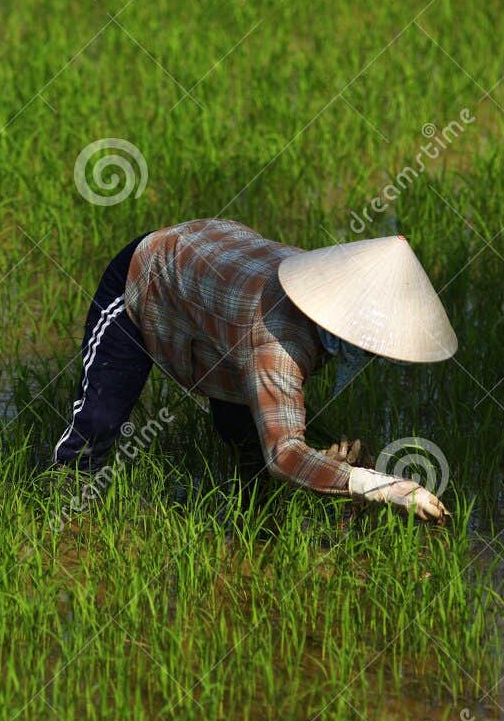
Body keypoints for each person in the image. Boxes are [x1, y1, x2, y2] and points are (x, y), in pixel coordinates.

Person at [52, 219, 458, 522]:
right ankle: (61, 505)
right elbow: (285, 455)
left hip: (222, 292)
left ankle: (253, 524)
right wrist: (378, 486)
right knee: (101, 418)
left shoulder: (313, 281)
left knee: (247, 441)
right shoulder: (276, 342)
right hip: (148, 271)